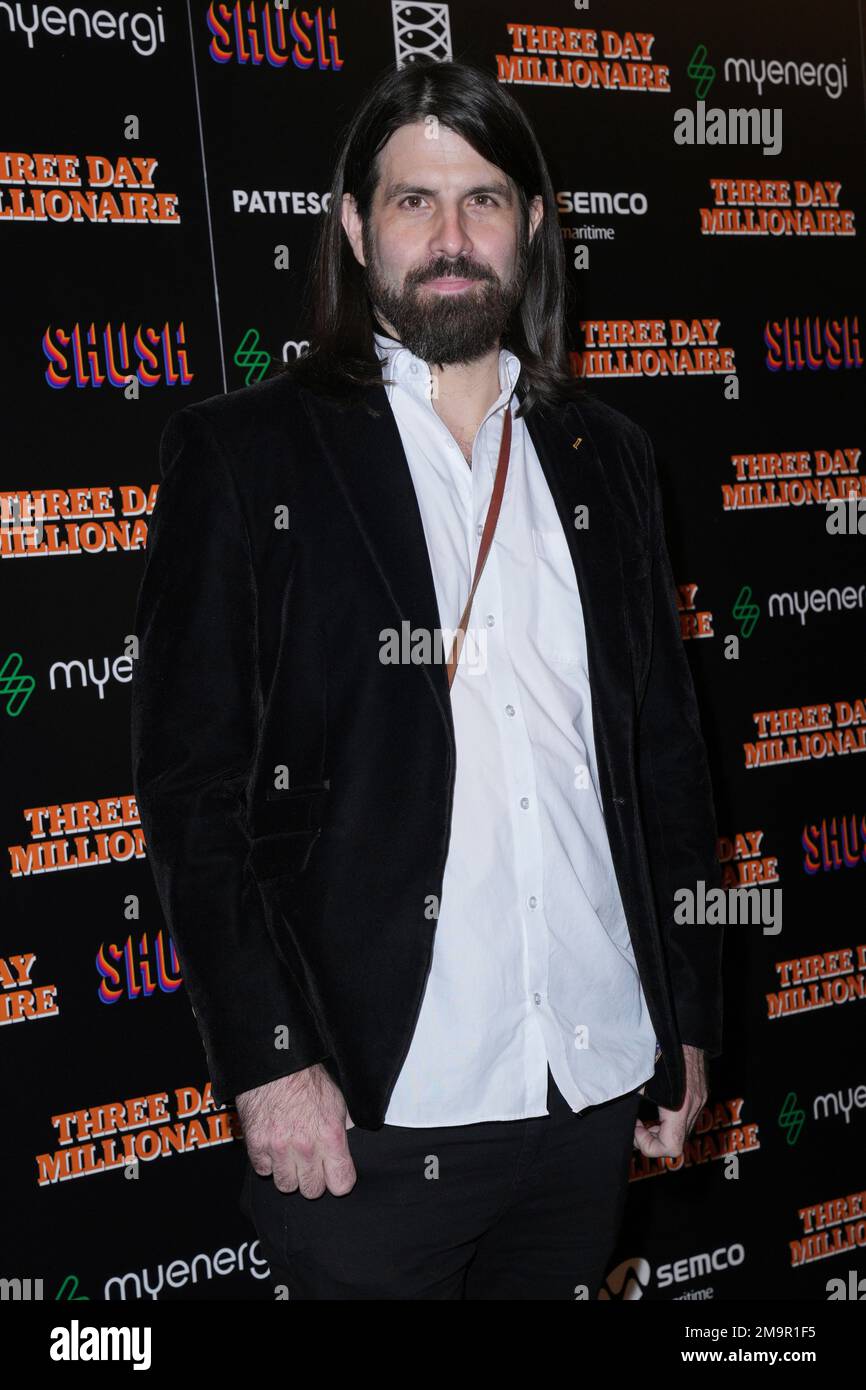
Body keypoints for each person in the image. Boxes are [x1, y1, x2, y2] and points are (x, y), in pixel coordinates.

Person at [130, 59, 724, 1300]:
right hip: (370, 1114)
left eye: (484, 201)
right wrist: (269, 1063)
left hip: (584, 1087)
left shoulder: (604, 458)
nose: (450, 240)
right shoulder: (247, 454)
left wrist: (683, 1017)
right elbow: (193, 796)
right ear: (354, 226)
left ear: (532, 226)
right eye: (413, 203)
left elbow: (661, 762)